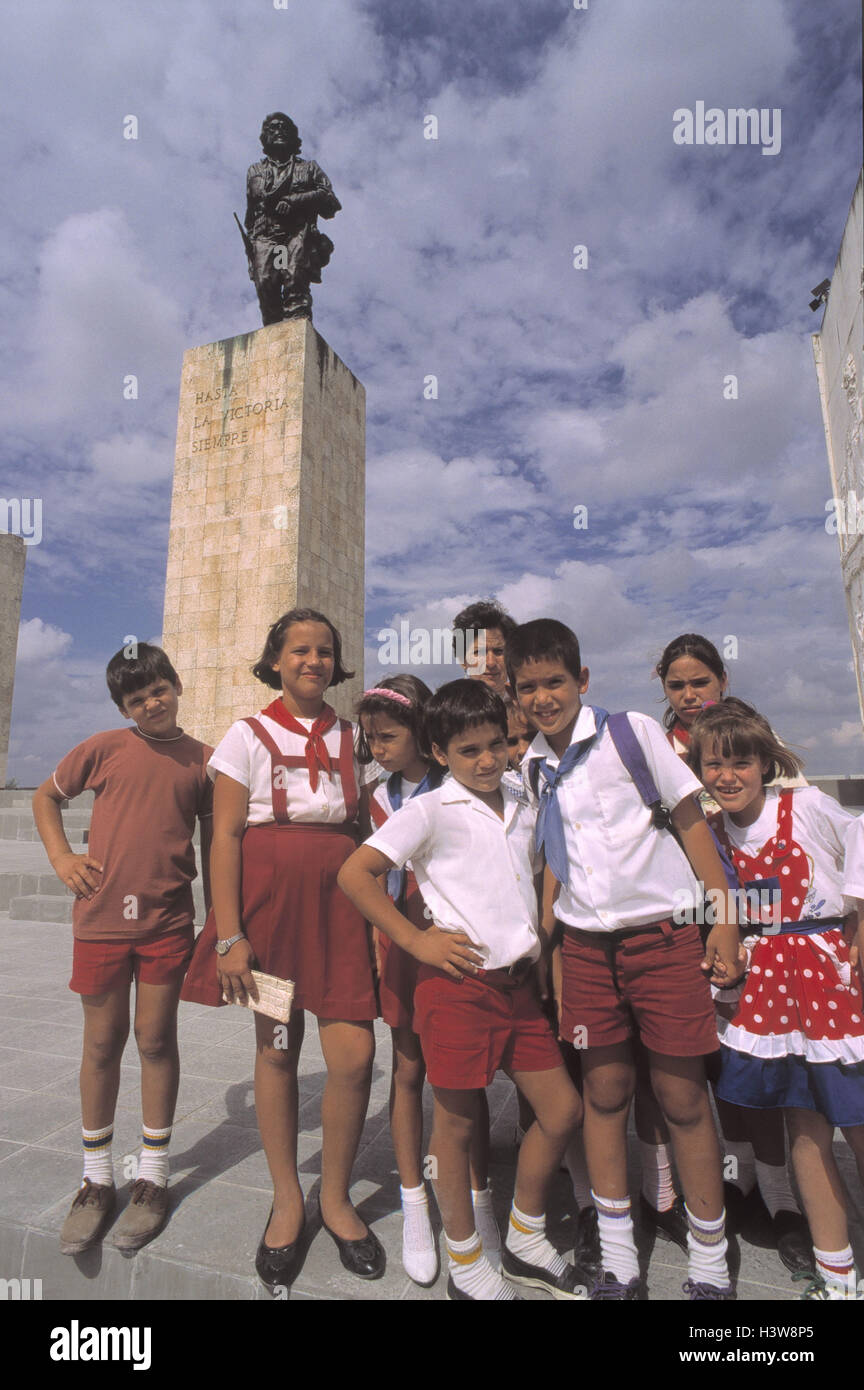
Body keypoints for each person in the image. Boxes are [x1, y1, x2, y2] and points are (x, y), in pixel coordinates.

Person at [510, 618, 740, 1300]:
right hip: (584, 950)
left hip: (664, 940)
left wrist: (723, 923)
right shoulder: (532, 767)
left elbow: (693, 823)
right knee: (603, 1096)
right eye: (528, 688)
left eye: (555, 682)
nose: (543, 697)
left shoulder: (630, 734)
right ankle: (618, 1257)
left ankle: (708, 1258)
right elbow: (553, 862)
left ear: (581, 681)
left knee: (681, 1097)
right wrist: (548, 947)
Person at [339, 679, 585, 1300]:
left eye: (496, 745)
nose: (486, 759)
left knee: (561, 1111)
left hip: (518, 985)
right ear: (441, 752)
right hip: (457, 987)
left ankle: (525, 1237)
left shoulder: (520, 797)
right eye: (469, 749)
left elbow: (536, 868)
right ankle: (467, 1260)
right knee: (453, 1129)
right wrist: (417, 942)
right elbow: (355, 874)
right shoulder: (427, 810)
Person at [180, 608, 383, 1292]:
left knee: (354, 1054)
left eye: (325, 651)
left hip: (341, 904)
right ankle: (287, 1199)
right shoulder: (247, 735)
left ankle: (335, 1196)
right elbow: (226, 836)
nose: (314, 661)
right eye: (300, 650)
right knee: (276, 1046)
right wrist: (229, 933)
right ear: (275, 659)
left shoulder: (355, 737)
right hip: (270, 910)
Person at [32, 644, 212, 1255]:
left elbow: (217, 844)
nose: (150, 704)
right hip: (102, 922)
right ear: (123, 708)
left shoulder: (202, 762)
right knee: (103, 1044)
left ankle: (153, 1177)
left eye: (158, 690)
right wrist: (62, 856)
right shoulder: (104, 748)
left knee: (157, 1040)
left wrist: (224, 924)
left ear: (177, 683)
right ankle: (96, 1179)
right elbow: (45, 797)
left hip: (166, 924)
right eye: (136, 700)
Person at [688, 698, 864, 1300]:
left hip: (832, 989)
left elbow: (862, 833)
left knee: (860, 1124)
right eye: (714, 764)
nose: (727, 775)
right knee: (805, 1134)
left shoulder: (807, 806)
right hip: (771, 999)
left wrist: (860, 914)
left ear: (765, 763)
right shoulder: (710, 836)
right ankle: (838, 1275)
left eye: (740, 761)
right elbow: (722, 911)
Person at [657, 638, 813, 1271]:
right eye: (676, 685)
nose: (691, 695)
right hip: (684, 929)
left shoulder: (751, 743)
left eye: (701, 682)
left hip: (760, 931)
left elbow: (796, 837)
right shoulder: (653, 753)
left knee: (766, 1068)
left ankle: (782, 1201)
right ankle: (738, 1179)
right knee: (715, 1067)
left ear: (722, 679)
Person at [358, 674, 499, 1282]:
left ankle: (477, 1200)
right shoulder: (377, 797)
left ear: (423, 733)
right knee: (409, 1068)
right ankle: (415, 1199)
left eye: (387, 736)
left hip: (463, 943)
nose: (377, 748)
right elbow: (370, 878)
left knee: (465, 1079)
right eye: (369, 738)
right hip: (406, 946)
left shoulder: (466, 782)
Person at [244, 112, 341, 325]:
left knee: (294, 278)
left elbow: (331, 202)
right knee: (266, 283)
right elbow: (251, 214)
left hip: (296, 233)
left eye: (284, 128)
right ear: (265, 138)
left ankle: (295, 332)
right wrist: (252, 244)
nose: (278, 131)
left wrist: (295, 201)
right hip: (267, 237)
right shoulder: (255, 171)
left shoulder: (309, 168)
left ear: (294, 138)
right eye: (272, 129)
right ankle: (275, 340)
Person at [452, 600, 516, 697]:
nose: (491, 663)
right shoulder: (444, 709)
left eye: (498, 651)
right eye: (480, 652)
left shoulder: (530, 707)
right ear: (463, 660)